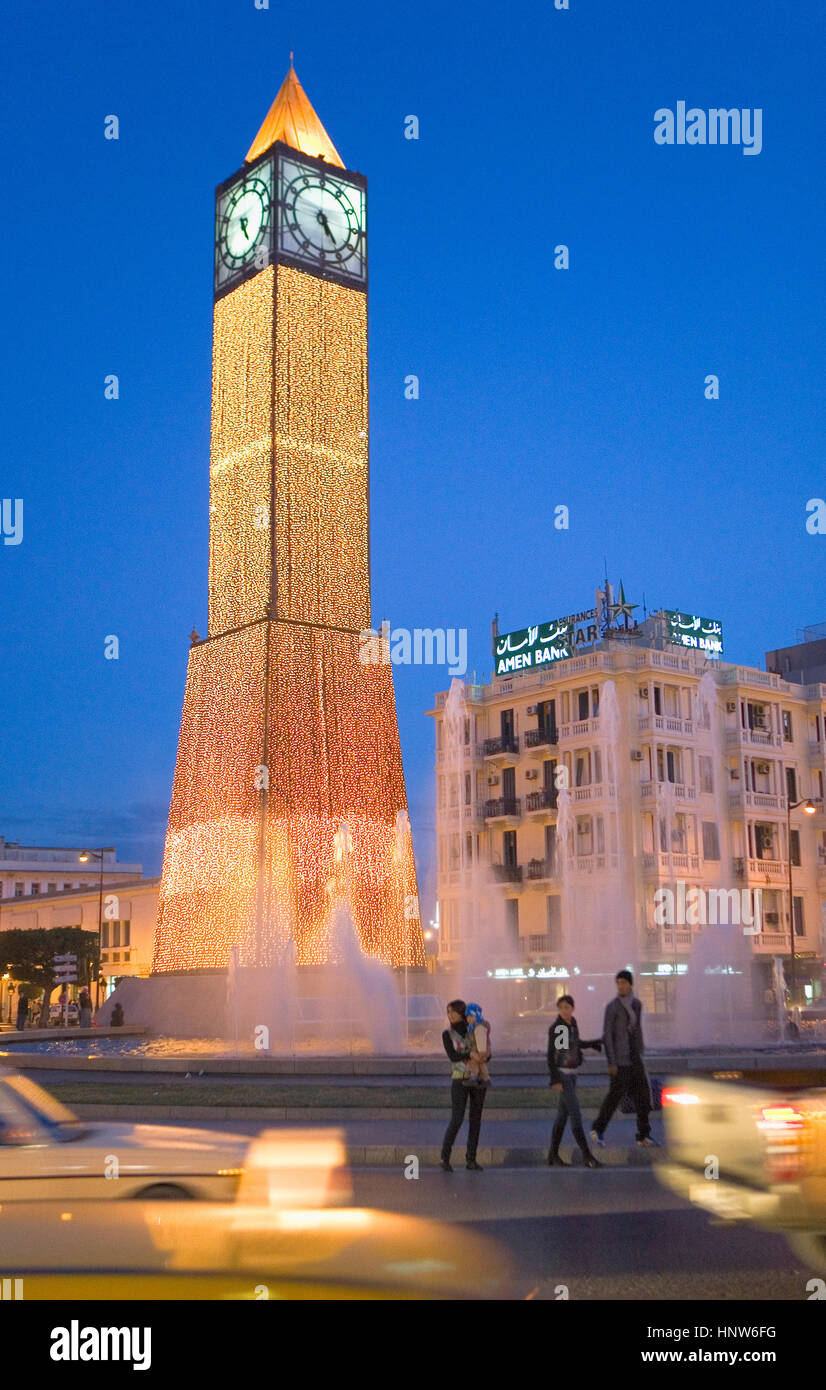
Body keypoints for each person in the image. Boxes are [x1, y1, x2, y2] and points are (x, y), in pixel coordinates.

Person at [590, 970, 657, 1149]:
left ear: (630, 984)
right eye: (618, 983)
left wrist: (641, 1049)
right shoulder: (612, 1006)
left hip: (635, 1058)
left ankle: (643, 1136)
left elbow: (637, 1029)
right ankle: (597, 1128)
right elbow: (608, 1036)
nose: (621, 986)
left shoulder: (637, 1004)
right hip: (620, 1061)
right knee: (614, 1097)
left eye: (624, 982)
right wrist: (611, 1062)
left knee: (643, 1097)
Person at [547, 994, 603, 1168]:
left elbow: (574, 1044)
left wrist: (593, 1043)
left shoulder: (572, 1024)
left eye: (567, 1007)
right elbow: (553, 1054)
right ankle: (587, 1155)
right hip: (563, 1076)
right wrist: (555, 1079)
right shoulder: (560, 1028)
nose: (564, 1011)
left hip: (572, 1074)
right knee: (575, 1115)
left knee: (562, 1117)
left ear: (572, 1008)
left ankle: (552, 1156)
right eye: (561, 1008)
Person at [440, 1000, 486, 1171]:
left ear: (462, 1012)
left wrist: (482, 1056)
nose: (450, 1015)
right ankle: (445, 1157)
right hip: (459, 1079)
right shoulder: (447, 1034)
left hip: (478, 1078)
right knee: (457, 1119)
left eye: (453, 1012)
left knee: (475, 1120)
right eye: (448, 1012)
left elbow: (485, 1051)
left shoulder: (475, 1029)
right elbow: (452, 1055)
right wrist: (470, 1054)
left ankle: (471, 1159)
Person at [462, 1001, 491, 1086]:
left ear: (477, 1015)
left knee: (473, 1062)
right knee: (481, 1064)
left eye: (471, 1016)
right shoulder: (473, 1027)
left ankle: (473, 1077)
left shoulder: (479, 1028)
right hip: (479, 1050)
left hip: (481, 1051)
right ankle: (485, 1078)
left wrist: (481, 1052)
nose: (468, 1018)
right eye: (467, 1016)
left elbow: (481, 1040)